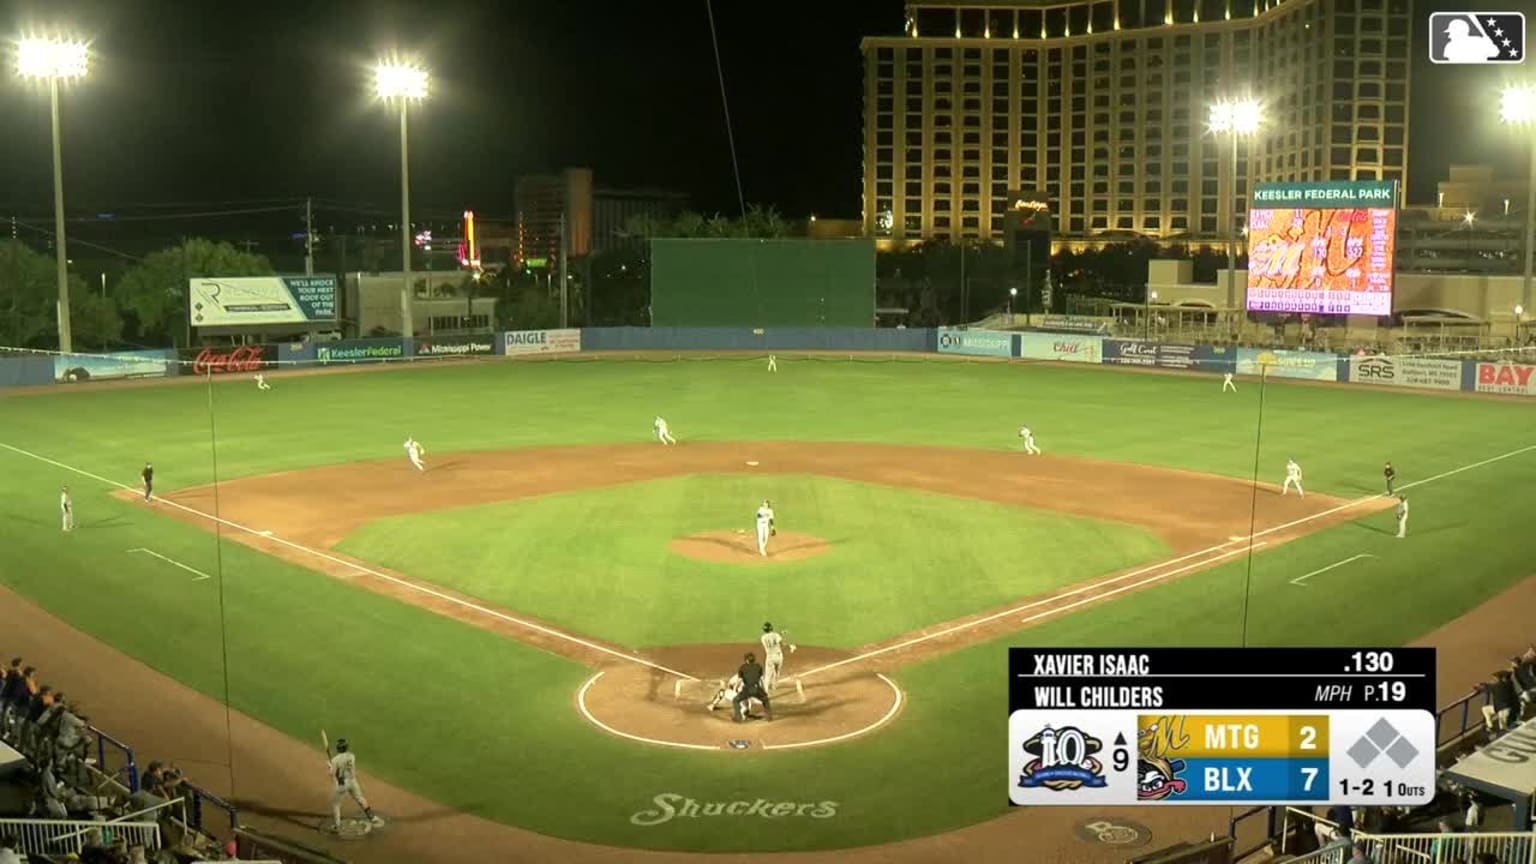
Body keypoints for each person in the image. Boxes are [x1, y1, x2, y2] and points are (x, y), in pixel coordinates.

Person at [328, 738, 383, 831]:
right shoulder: (352, 756)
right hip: (353, 781)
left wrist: (330, 766)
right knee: (360, 798)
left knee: (336, 804)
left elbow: (333, 774)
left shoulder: (335, 760)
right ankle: (372, 817)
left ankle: (337, 826)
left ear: (338, 748)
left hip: (342, 784)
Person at [732, 653, 773, 722]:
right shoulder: (758, 667)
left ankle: (738, 717)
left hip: (747, 690)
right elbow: (761, 680)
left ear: (746, 660)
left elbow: (740, 680)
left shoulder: (742, 668)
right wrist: (764, 691)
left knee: (736, 700)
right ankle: (769, 717)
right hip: (757, 689)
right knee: (765, 700)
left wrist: (735, 688)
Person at [760, 622, 788, 693]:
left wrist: (780, 634)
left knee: (768, 674)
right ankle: (774, 686)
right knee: (777, 672)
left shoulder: (763, 638)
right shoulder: (776, 635)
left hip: (770, 657)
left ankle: (765, 690)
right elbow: (781, 644)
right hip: (778, 656)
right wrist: (790, 646)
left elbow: (771, 638)